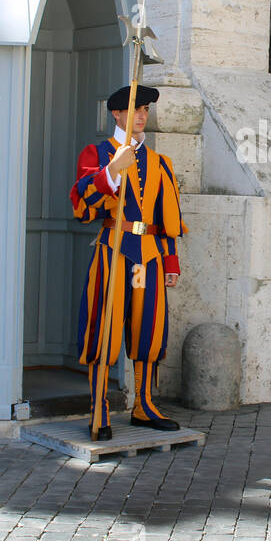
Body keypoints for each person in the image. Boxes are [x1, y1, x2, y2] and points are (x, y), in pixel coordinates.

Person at [69, 84, 187, 441]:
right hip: (112, 249)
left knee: (148, 328)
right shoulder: (98, 153)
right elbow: (81, 204)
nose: (141, 116)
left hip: (148, 255)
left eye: (145, 111)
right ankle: (100, 406)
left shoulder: (158, 162)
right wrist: (111, 173)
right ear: (117, 113)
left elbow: (165, 218)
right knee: (103, 326)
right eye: (136, 109)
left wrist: (170, 262)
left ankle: (144, 405)